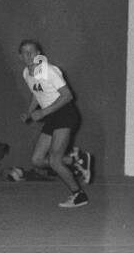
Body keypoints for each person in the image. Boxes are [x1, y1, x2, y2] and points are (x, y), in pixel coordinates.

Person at [18, 39, 91, 208]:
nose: (29, 55)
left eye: (32, 52)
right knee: (37, 160)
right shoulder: (26, 73)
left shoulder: (49, 71)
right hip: (52, 117)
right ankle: (75, 161)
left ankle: (78, 195)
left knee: (54, 161)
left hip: (65, 114)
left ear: (38, 54)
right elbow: (37, 93)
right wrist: (30, 112)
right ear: (20, 56)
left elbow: (67, 96)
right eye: (25, 52)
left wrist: (42, 112)